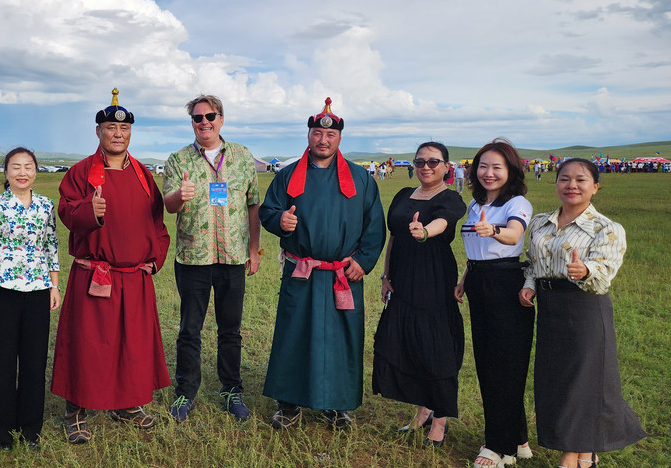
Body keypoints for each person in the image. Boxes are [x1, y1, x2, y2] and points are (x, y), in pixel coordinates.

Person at [519, 158, 645, 468]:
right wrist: (530, 285)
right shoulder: (540, 222)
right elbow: (532, 262)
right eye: (564, 179)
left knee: (580, 383)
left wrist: (584, 270)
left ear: (595, 187)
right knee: (558, 381)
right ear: (556, 183)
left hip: (585, 308)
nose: (571, 185)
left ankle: (569, 463)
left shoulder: (607, 228)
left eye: (580, 180)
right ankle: (588, 456)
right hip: (549, 310)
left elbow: (604, 275)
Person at [51, 89, 171, 443]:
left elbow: (157, 222)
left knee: (132, 343)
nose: (118, 134)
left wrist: (155, 259)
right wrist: (89, 210)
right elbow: (66, 212)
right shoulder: (81, 172)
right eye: (110, 128)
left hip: (134, 277)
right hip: (95, 275)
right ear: (99, 131)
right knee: (88, 344)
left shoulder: (143, 174)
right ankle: (76, 410)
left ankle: (126, 403)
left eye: (124, 129)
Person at [258, 98, 386, 429]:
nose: (323, 140)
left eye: (330, 135)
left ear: (339, 137)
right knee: (294, 335)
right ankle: (289, 403)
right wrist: (279, 220)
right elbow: (268, 210)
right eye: (317, 133)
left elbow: (375, 224)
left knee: (342, 337)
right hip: (301, 273)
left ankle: (337, 404)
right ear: (309, 135)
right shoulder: (288, 176)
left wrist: (364, 261)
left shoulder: (361, 179)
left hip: (344, 274)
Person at [163, 94, 261, 422]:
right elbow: (169, 205)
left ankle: (232, 390)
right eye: (197, 117)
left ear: (221, 119)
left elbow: (253, 205)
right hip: (194, 257)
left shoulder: (242, 156)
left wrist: (253, 250)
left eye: (210, 116)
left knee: (230, 329)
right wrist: (180, 196)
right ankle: (186, 392)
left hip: (232, 256)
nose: (204, 122)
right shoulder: (178, 160)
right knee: (190, 329)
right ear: (192, 122)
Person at [372, 141, 466, 446]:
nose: (426, 167)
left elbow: (442, 222)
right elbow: (394, 237)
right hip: (402, 279)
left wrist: (424, 231)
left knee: (435, 347)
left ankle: (440, 420)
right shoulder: (403, 195)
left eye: (433, 162)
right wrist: (386, 275)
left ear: (446, 167)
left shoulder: (450, 198)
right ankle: (423, 409)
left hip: (433, 279)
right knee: (406, 341)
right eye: (420, 161)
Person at [454, 139, 533, 468]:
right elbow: (477, 250)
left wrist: (493, 230)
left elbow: (514, 236)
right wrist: (465, 278)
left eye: (497, 167)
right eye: (483, 166)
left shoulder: (517, 203)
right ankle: (518, 439)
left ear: (510, 171)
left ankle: (498, 446)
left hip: (506, 284)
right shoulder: (475, 204)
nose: (489, 173)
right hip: (479, 282)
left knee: (504, 364)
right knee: (489, 362)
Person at [0, 147, 61, 449]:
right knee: (0, 359)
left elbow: (51, 245)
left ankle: (30, 429)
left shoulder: (45, 204)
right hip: (2, 286)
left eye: (28, 166)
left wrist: (55, 285)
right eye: (16, 167)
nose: (22, 172)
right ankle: (0, 431)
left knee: (33, 360)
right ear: (6, 172)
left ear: (35, 171)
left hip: (38, 287)